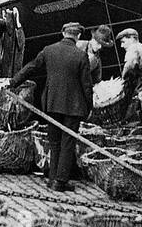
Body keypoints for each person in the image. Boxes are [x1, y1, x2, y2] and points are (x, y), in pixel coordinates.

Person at [9, 22, 92, 192]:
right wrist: (89, 106)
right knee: (67, 143)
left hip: (51, 103)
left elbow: (31, 67)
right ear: (78, 36)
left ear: (63, 33)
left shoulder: (48, 50)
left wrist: (12, 82)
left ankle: (52, 178)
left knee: (54, 142)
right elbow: (86, 86)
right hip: (73, 106)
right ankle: (60, 181)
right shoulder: (80, 55)